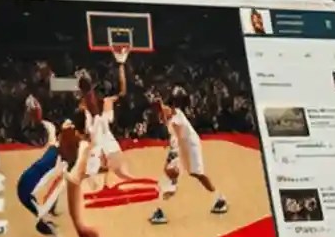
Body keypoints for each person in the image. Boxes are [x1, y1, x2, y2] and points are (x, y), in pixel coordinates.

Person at [149, 88, 229, 225]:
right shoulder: (170, 115)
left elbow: (166, 112)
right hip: (181, 147)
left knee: (195, 174)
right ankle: (161, 209)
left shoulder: (175, 114)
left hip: (191, 146)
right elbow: (170, 131)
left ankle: (220, 199)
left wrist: (159, 103)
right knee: (178, 174)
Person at [80, 60, 140, 190]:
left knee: (120, 173)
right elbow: (122, 92)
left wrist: (121, 67)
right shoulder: (92, 106)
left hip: (105, 140)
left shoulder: (106, 102)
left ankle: (108, 182)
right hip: (100, 140)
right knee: (96, 174)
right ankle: (106, 182)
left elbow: (123, 92)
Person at [14, 101, 66, 237]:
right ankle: (52, 228)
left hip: (27, 184)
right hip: (28, 186)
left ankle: (51, 224)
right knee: (41, 216)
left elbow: (49, 128)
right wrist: (37, 115)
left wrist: (37, 115)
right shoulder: (58, 152)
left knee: (41, 211)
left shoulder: (54, 146)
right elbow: (49, 127)